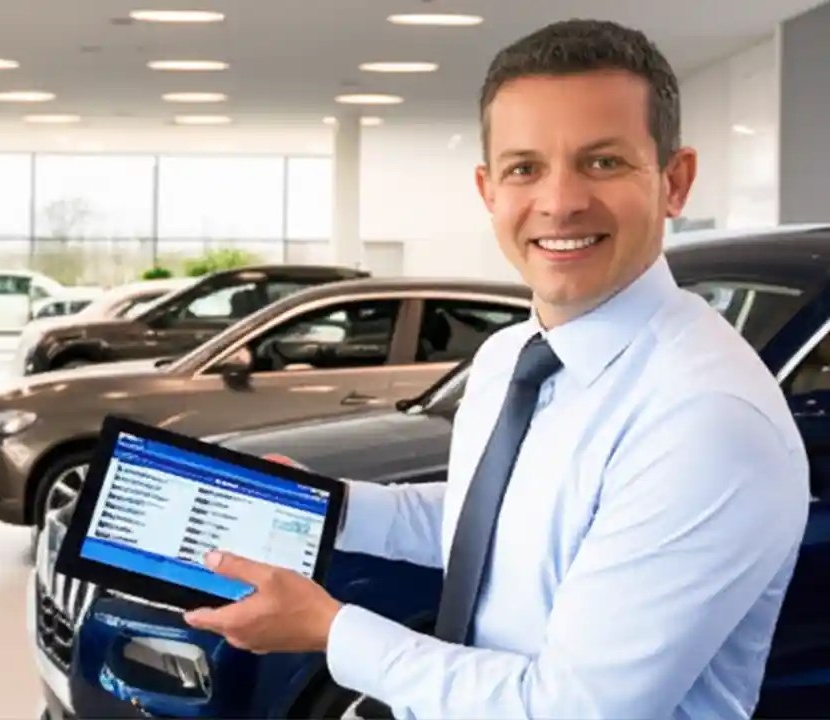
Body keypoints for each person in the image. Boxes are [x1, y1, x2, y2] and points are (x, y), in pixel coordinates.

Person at [182, 18, 810, 719]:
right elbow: (497, 517)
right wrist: (331, 507)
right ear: (488, 190)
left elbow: (573, 710)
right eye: (525, 167)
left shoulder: (706, 421)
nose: (561, 200)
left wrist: (330, 631)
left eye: (603, 162)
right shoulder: (509, 356)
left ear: (675, 181)